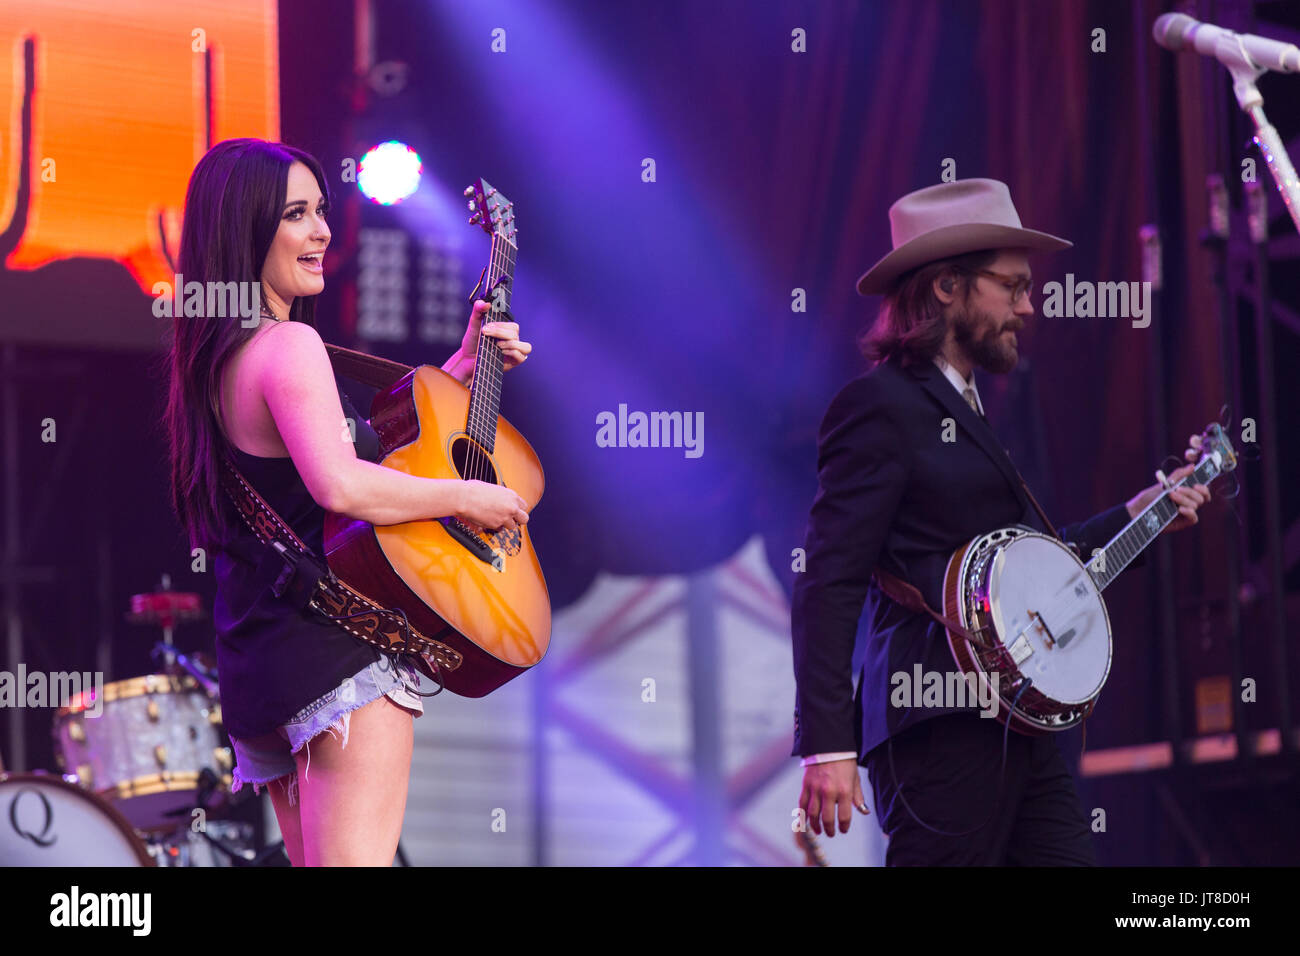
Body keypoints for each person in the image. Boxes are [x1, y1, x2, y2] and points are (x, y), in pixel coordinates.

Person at [791, 178, 1211, 865]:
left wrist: (1143, 514)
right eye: (1010, 286)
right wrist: (827, 745)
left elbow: (1038, 568)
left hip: (1018, 720)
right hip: (939, 725)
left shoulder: (973, 408)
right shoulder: (881, 408)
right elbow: (828, 578)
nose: (1028, 304)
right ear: (947, 287)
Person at [163, 138, 533, 866]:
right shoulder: (291, 345)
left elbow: (346, 456)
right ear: (246, 231)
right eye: (296, 215)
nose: (323, 232)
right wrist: (467, 494)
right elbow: (342, 485)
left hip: (262, 665)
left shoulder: (217, 358)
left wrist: (461, 366)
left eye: (321, 211)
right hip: (336, 661)